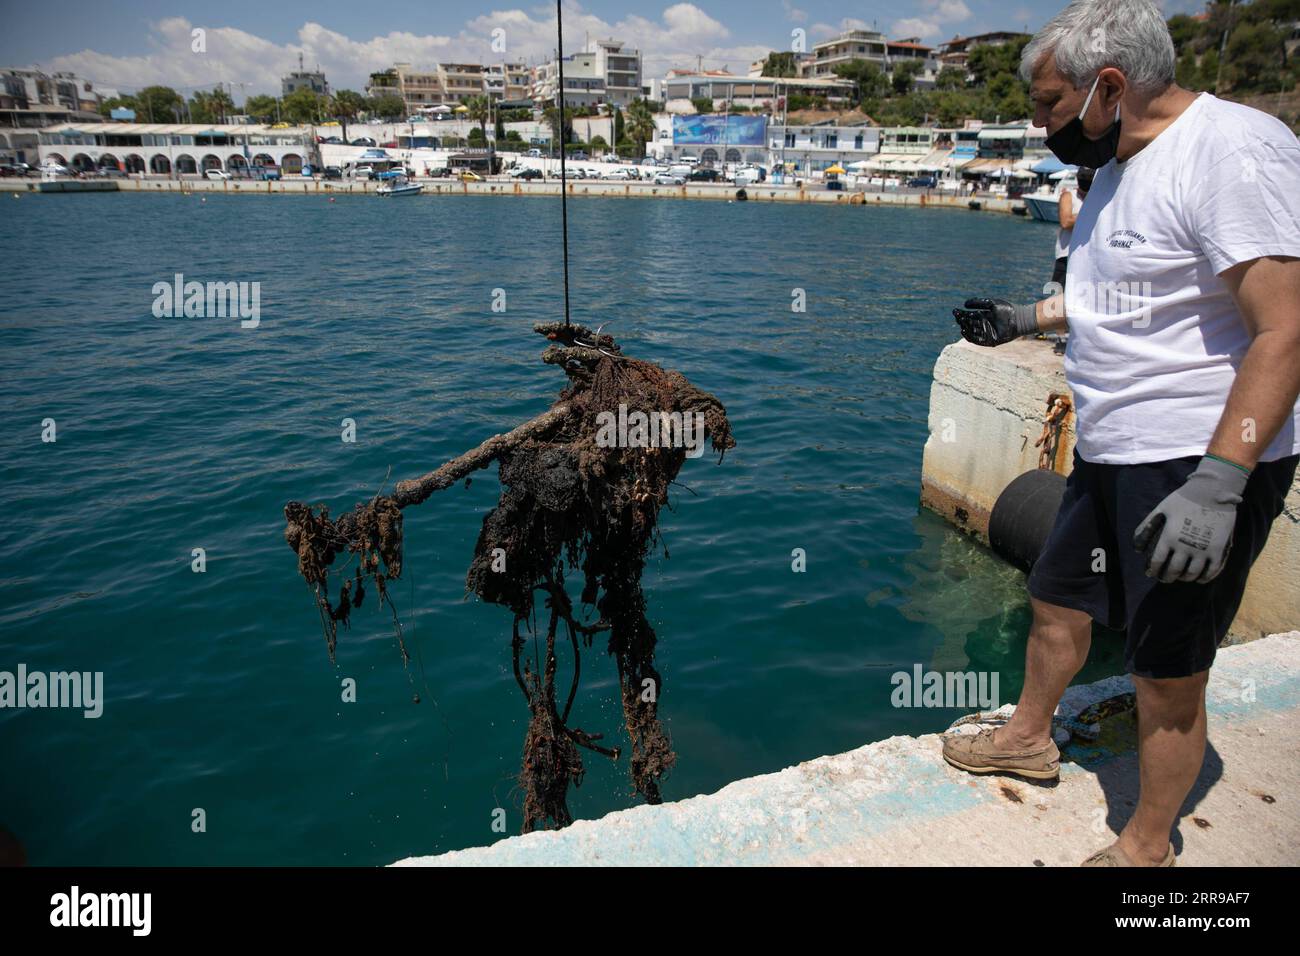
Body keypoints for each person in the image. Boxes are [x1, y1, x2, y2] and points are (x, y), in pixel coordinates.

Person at [948, 0, 1300, 867]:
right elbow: (1124, 298)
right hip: (1110, 446)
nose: (1040, 127)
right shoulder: (1116, 165)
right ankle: (1031, 737)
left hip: (1194, 460)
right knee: (1057, 599)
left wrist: (1221, 483)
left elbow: (1285, 329)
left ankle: (1147, 846)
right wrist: (1024, 317)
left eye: (1049, 105)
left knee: (1167, 667)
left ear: (1110, 86)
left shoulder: (1234, 150)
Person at [1050, 166, 1093, 289]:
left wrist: (1077, 216)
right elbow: (1066, 222)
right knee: (1056, 299)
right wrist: (1092, 214)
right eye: (1084, 177)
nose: (1086, 179)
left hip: (1088, 256)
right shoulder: (1069, 196)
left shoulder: (1095, 198)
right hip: (1066, 255)